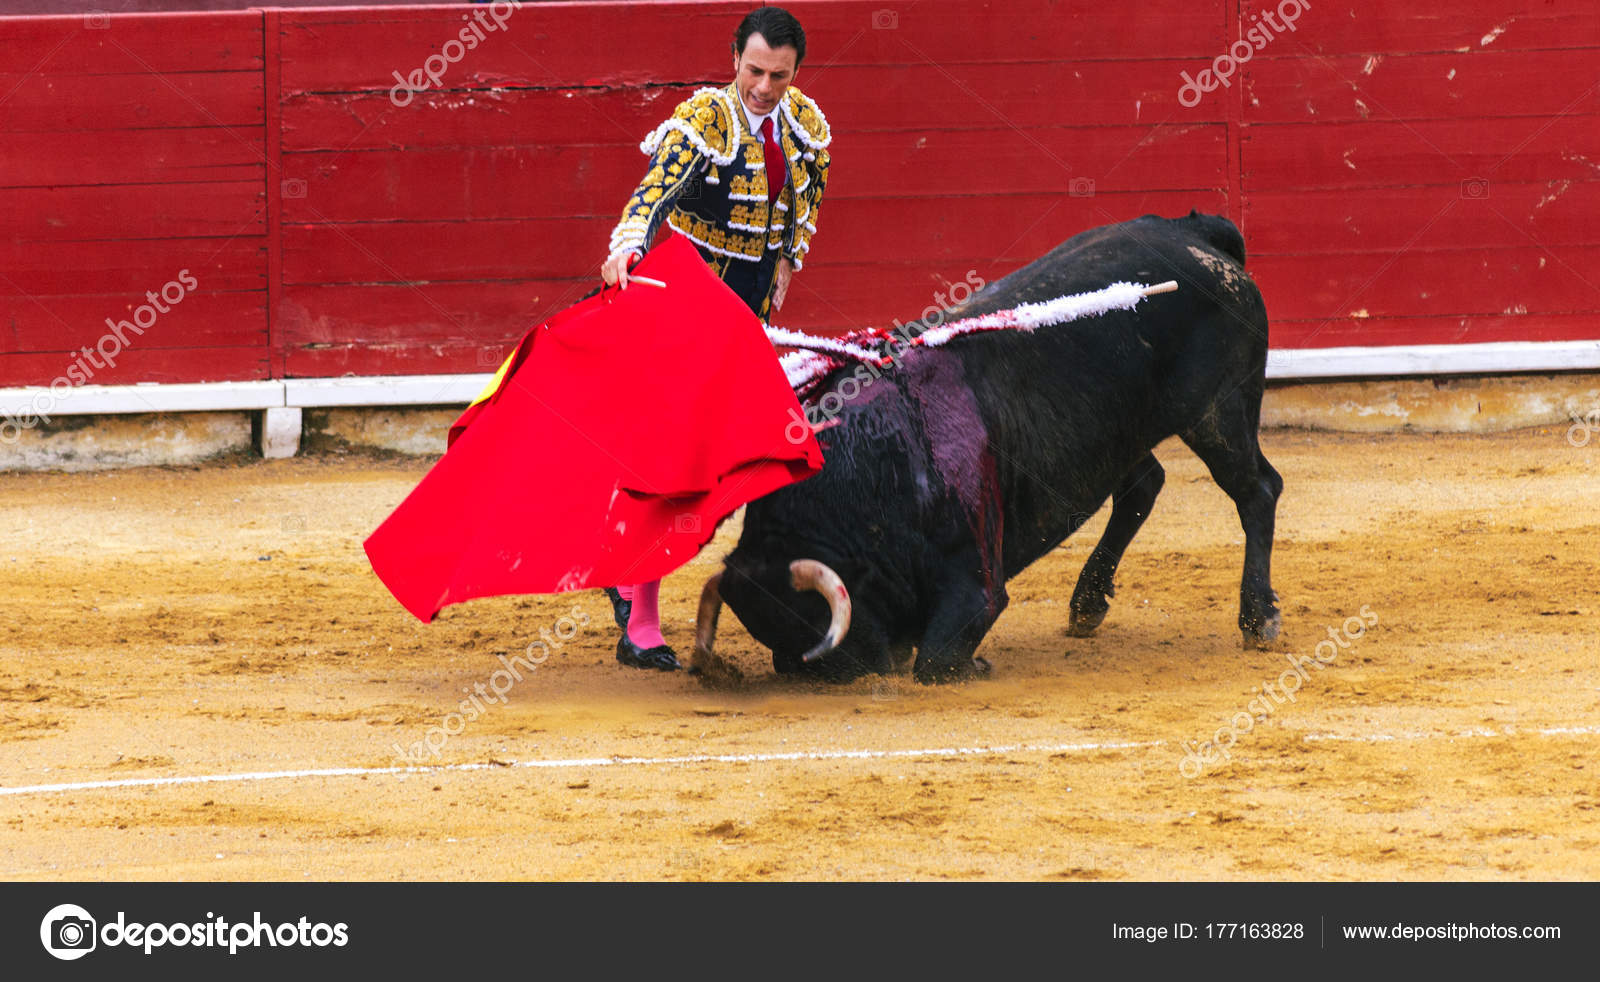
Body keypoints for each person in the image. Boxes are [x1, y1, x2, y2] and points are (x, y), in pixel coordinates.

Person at [599, 5, 832, 671]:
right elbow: (653, 194)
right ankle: (639, 617)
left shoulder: (805, 126)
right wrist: (626, 246)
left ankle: (724, 586)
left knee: (733, 456)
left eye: (778, 76)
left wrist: (788, 263)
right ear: (735, 58)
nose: (764, 86)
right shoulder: (705, 119)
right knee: (672, 456)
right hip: (690, 300)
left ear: (795, 72)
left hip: (747, 313)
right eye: (755, 70)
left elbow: (807, 204)